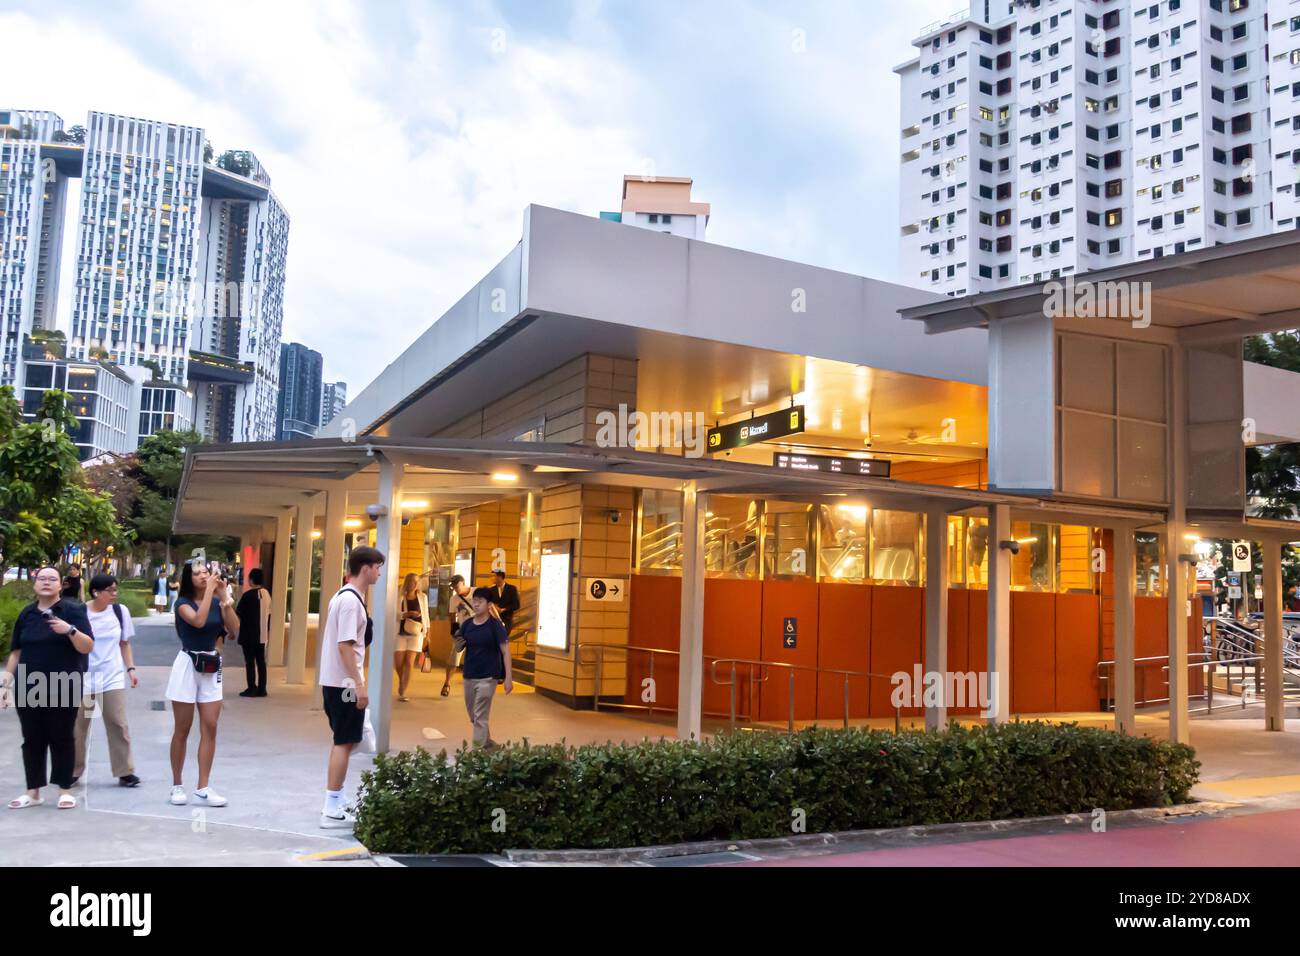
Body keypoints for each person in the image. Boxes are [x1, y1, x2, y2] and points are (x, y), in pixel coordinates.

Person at [1, 566, 94, 810]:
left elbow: (87, 646)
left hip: (64, 683)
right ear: (35, 584)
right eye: (41, 578)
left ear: (61, 585)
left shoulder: (73, 610)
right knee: (32, 738)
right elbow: (16, 651)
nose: (46, 582)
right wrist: (6, 682)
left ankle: (65, 790)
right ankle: (33, 792)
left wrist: (70, 630)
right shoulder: (27, 614)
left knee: (61, 736)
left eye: (52, 579)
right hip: (29, 684)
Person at [317, 545, 385, 829]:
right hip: (343, 684)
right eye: (378, 567)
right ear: (366, 568)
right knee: (343, 742)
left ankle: (337, 799)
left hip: (337, 682)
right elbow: (345, 646)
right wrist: (359, 684)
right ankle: (331, 807)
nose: (379, 572)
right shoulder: (349, 602)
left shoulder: (348, 597)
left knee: (347, 740)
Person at [166, 560, 239, 808]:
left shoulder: (217, 601)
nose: (202, 577)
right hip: (187, 664)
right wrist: (210, 592)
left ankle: (203, 786)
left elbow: (235, 629)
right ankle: (177, 785)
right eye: (196, 574)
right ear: (188, 578)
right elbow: (197, 621)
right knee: (182, 728)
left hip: (210, 664)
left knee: (210, 725)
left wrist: (224, 597)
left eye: (205, 573)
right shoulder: (182, 603)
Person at [73, 574, 141, 788]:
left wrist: (130, 668)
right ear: (96, 592)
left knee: (118, 724)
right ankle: (73, 771)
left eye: (115, 589)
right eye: (110, 590)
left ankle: (125, 771)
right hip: (84, 678)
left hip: (111, 678)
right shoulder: (80, 612)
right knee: (77, 728)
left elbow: (124, 643)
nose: (115, 594)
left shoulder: (120, 612)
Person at [459, 586, 513, 749]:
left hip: (488, 676)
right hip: (469, 675)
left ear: (489, 604)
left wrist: (508, 678)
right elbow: (458, 647)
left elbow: (506, 652)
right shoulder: (467, 625)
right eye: (474, 601)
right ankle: (487, 743)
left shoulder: (495, 626)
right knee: (474, 716)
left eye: (480, 601)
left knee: (480, 715)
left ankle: (477, 753)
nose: (476, 605)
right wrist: (457, 645)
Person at [235, 568, 272, 697]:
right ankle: (262, 688)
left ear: (251, 579)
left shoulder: (247, 595)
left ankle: (251, 687)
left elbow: (238, 613)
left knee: (250, 662)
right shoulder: (267, 594)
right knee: (261, 661)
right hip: (262, 635)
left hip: (248, 635)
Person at [393, 572, 428, 702]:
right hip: (400, 632)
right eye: (412, 581)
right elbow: (393, 614)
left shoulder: (422, 597)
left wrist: (428, 634)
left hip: (416, 633)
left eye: (416, 581)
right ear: (407, 582)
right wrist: (405, 614)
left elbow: (426, 616)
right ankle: (402, 681)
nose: (415, 584)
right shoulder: (399, 597)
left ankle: (403, 689)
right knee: (398, 663)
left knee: (409, 662)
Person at [441, 574, 473, 697]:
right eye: (453, 586)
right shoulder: (454, 599)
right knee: (453, 659)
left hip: (478, 631)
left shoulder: (476, 592)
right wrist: (453, 629)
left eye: (457, 585)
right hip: (463, 631)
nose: (455, 588)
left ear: (463, 582)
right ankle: (447, 683)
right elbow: (452, 615)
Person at [488, 570, 521, 636]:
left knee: (502, 640)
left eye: (493, 576)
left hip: (507, 620)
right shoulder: (491, 590)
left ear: (500, 577)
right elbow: (488, 603)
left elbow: (516, 605)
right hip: (493, 621)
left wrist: (504, 609)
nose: (491, 578)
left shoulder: (512, 589)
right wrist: (494, 607)